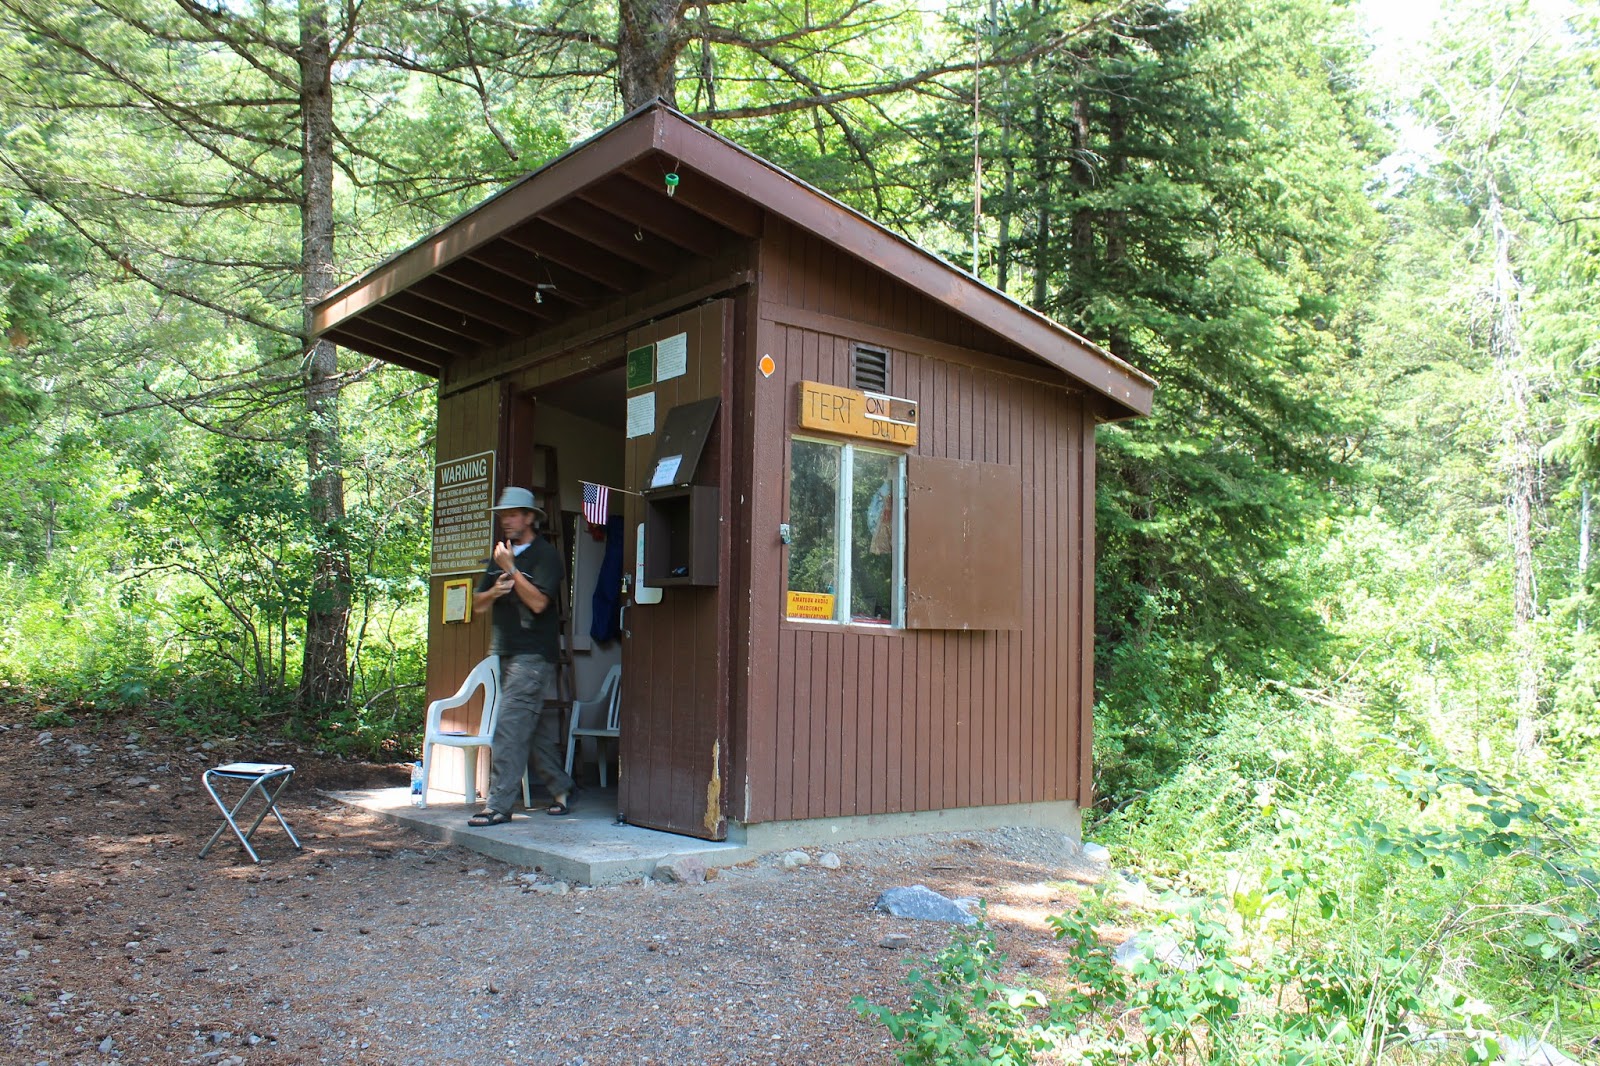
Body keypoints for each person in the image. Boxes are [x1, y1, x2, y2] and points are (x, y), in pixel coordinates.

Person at [466, 486, 576, 826]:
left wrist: (511, 570)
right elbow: (477, 602)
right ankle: (562, 788)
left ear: (530, 517)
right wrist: (495, 589)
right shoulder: (502, 553)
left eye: (512, 514)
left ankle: (498, 805)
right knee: (530, 726)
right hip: (506, 651)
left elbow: (540, 603)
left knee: (511, 726)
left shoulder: (546, 555)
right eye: (503, 515)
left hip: (533, 654)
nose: (506, 520)